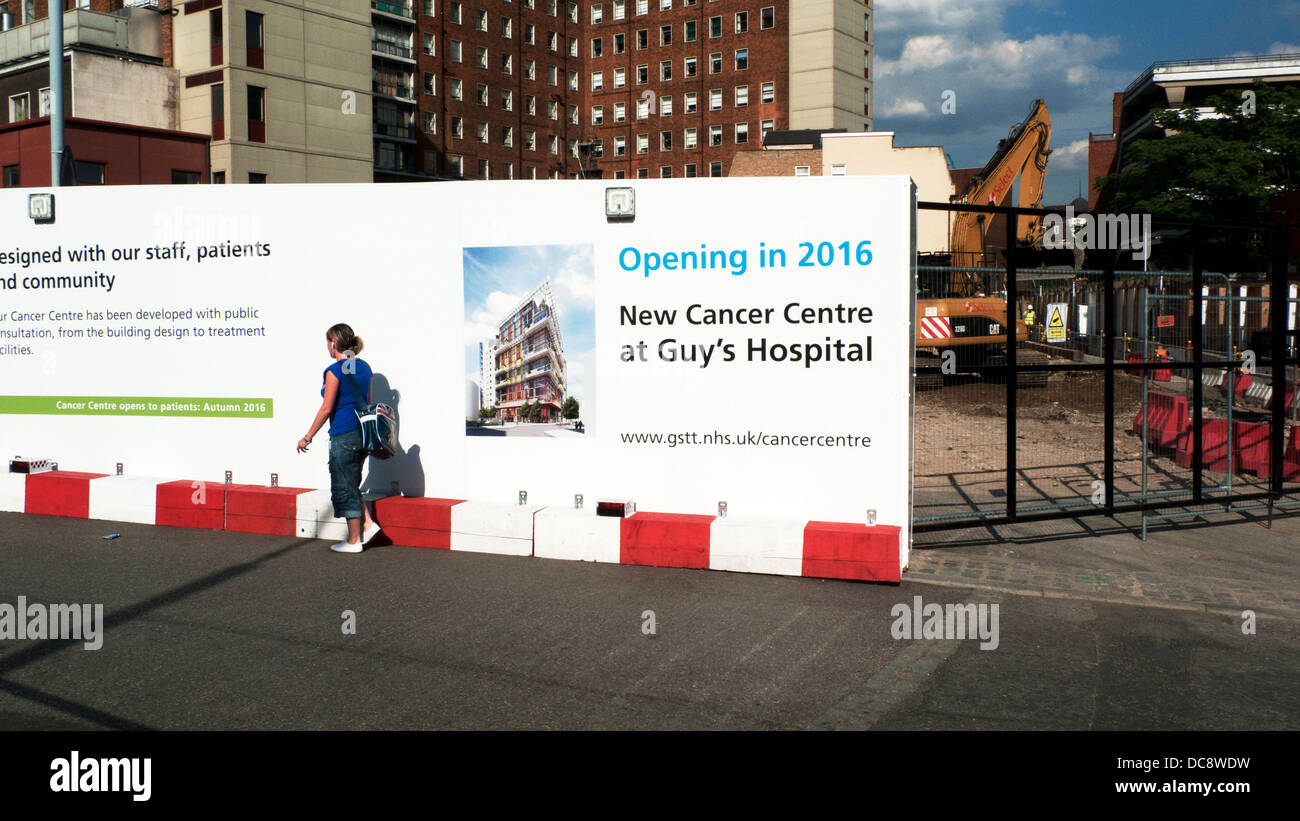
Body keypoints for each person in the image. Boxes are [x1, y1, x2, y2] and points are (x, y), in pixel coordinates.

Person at [296, 323, 380, 553]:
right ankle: (368, 524)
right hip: (362, 433)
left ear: (333, 343)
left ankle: (354, 541)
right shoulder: (364, 367)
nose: (327, 347)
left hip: (343, 433)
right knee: (351, 482)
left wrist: (307, 437)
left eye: (327, 343)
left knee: (344, 486)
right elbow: (367, 401)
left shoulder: (334, 371)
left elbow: (326, 408)